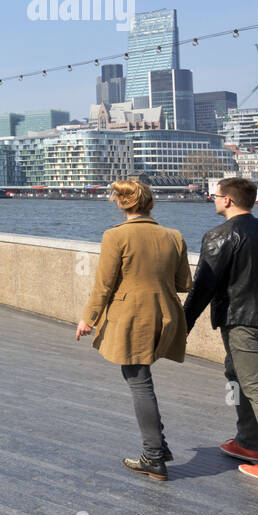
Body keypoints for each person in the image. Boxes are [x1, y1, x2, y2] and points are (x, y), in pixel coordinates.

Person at [75, 180, 190, 481]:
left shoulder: (115, 236)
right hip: (166, 315)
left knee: (139, 382)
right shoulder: (174, 236)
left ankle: (153, 456)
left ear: (120, 204)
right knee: (140, 378)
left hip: (132, 318)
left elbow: (104, 285)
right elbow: (184, 284)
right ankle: (159, 448)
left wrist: (88, 318)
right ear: (151, 204)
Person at [184, 177, 258, 488]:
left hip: (243, 322)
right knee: (235, 373)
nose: (213, 199)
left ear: (228, 200)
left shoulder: (219, 236)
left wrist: (182, 327)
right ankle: (248, 441)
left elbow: (203, 287)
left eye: (215, 195)